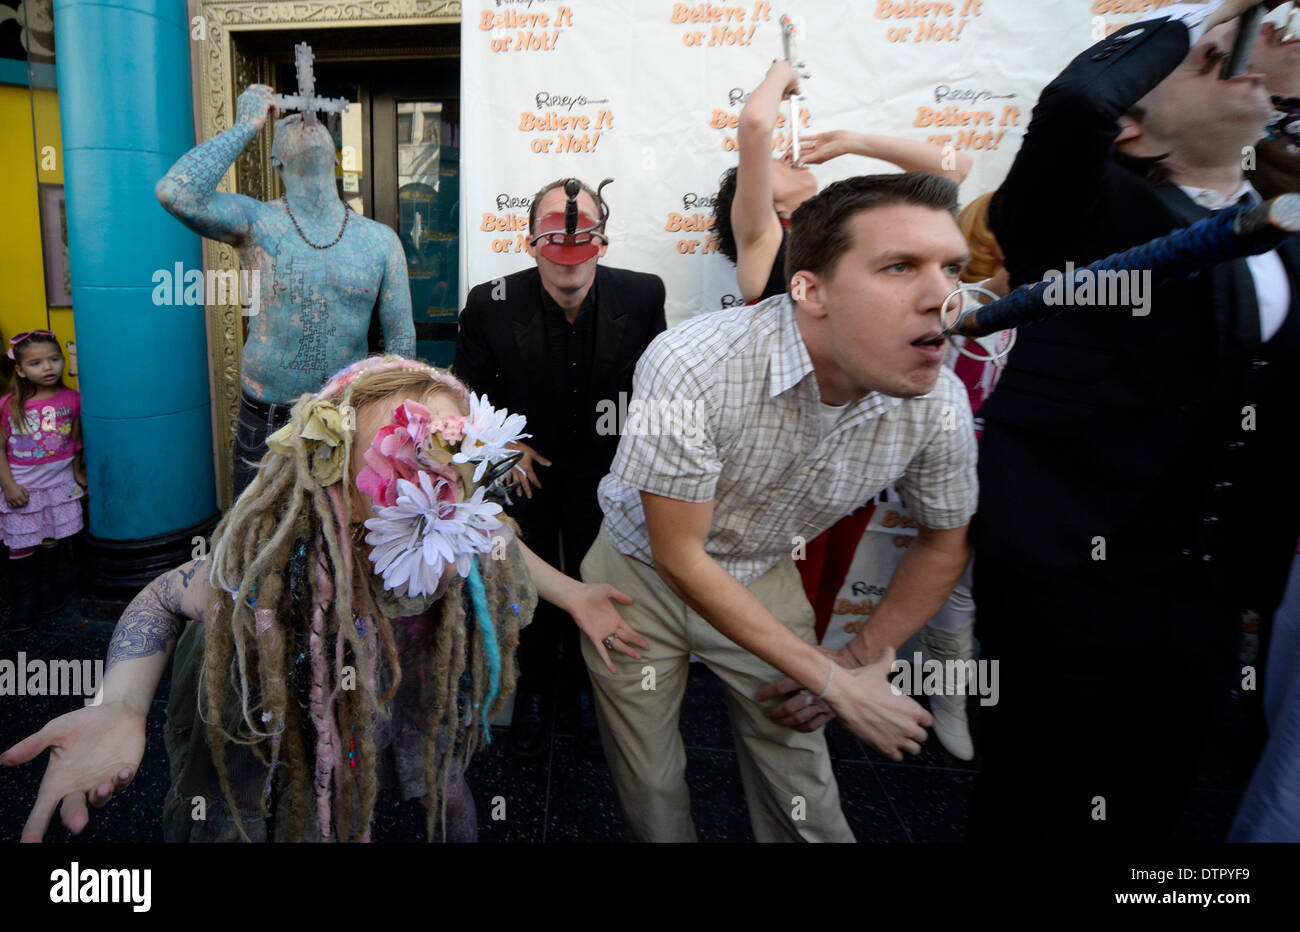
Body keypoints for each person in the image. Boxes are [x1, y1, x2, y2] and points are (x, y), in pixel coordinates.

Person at [1, 356, 645, 842]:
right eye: (405, 468)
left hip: (403, 684)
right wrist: (120, 705)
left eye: (459, 460)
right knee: (280, 807)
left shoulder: (459, 528)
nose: (440, 486)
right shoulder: (276, 567)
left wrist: (577, 594)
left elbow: (495, 537)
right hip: (280, 704)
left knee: (444, 786)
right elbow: (163, 598)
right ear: (333, 473)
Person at [969, 0, 1300, 841]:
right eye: (1206, 66)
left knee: (1154, 799)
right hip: (1069, 576)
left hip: (1205, 592)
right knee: (1036, 802)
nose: (1237, 64)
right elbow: (1079, 101)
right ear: (1137, 134)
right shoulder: (1083, 219)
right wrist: (1200, 20)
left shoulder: (1285, 230)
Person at [580, 173, 977, 842]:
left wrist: (854, 664)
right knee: (649, 780)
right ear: (810, 289)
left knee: (803, 782)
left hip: (761, 571)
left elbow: (945, 542)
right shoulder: (694, 363)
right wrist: (833, 681)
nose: (944, 297)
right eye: (900, 266)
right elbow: (678, 555)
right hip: (635, 575)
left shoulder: (940, 406)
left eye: (952, 268)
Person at [454, 178, 665, 758]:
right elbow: (463, 399)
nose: (568, 240)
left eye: (581, 227)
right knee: (531, 584)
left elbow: (656, 389)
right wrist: (506, 445)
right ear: (529, 241)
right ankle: (533, 694)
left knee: (605, 581)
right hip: (526, 468)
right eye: (553, 225)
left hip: (608, 471)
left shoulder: (643, 295)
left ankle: (589, 690)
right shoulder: (489, 301)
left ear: (602, 240)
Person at [156, 83, 416, 497]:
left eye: (314, 124)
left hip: (344, 418)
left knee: (341, 543)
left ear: (334, 156)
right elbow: (175, 193)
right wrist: (246, 126)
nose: (302, 120)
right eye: (289, 122)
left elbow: (400, 342)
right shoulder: (256, 221)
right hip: (267, 420)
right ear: (276, 160)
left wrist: (382, 418)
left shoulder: (381, 240)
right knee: (258, 545)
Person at [712, 59, 972, 304]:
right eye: (774, 162)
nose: (785, 157)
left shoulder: (848, 223)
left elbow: (953, 167)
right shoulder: (762, 243)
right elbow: (756, 126)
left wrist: (853, 142)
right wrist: (778, 75)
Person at [0, 331, 86, 634]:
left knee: (51, 539)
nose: (47, 367)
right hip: (24, 488)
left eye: (54, 359)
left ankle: (49, 589)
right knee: (22, 544)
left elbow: (75, 440)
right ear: (21, 370)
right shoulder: (8, 405)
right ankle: (25, 597)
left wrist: (77, 470)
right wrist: (9, 485)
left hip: (58, 486)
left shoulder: (73, 399)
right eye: (36, 363)